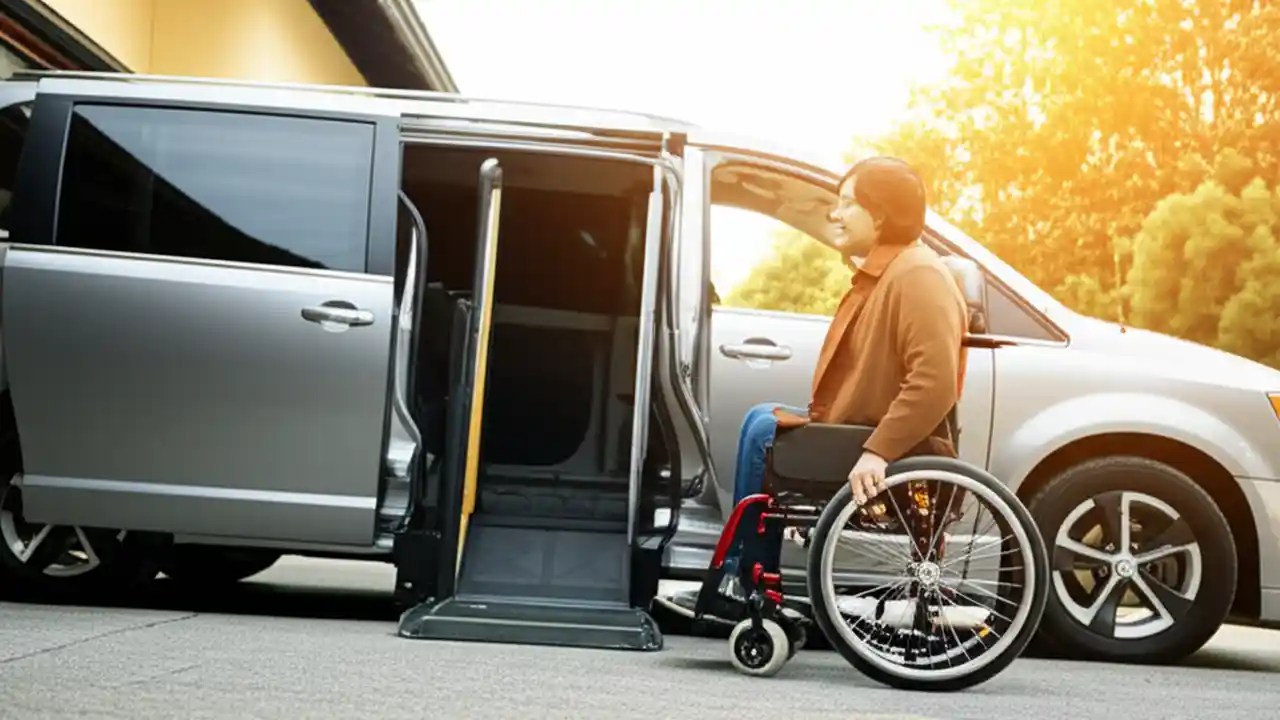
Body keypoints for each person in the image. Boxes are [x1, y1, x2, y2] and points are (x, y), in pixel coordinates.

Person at [655, 156, 969, 619]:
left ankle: (748, 582)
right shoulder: (895, 271)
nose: (836, 214)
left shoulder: (918, 276)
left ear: (878, 214)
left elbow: (935, 382)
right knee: (761, 418)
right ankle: (748, 577)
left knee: (765, 431)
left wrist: (879, 451)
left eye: (847, 203)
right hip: (861, 428)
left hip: (891, 446)